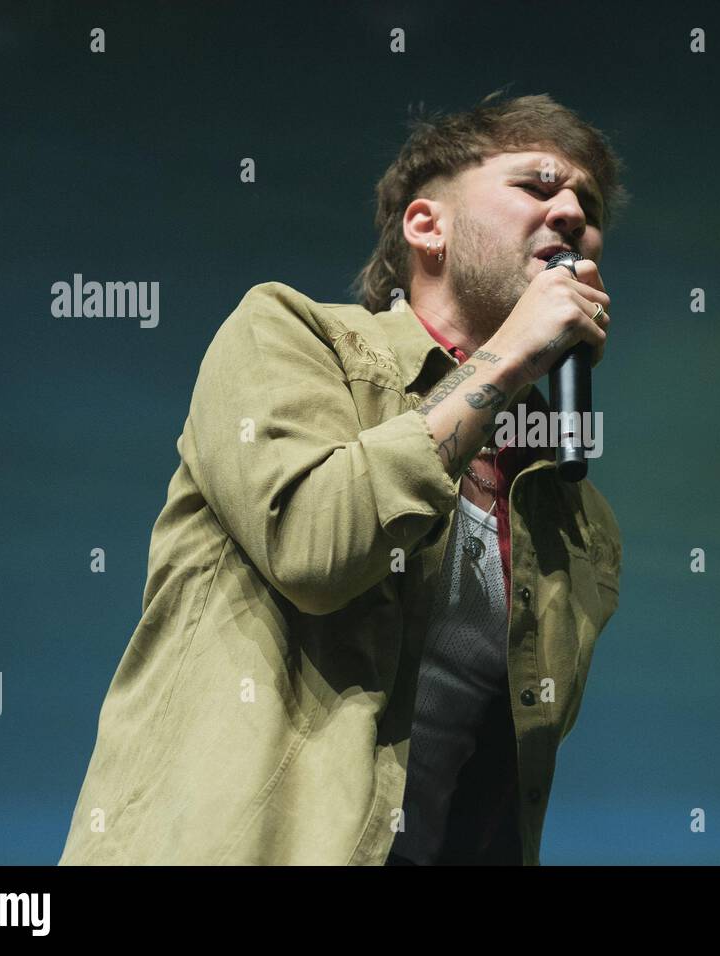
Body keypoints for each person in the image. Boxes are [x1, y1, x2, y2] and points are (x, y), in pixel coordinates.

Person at [58, 90, 629, 866]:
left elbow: (499, 778)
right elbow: (316, 550)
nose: (570, 213)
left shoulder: (573, 511)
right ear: (428, 226)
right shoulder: (292, 337)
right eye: (537, 185)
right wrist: (516, 353)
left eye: (586, 205)